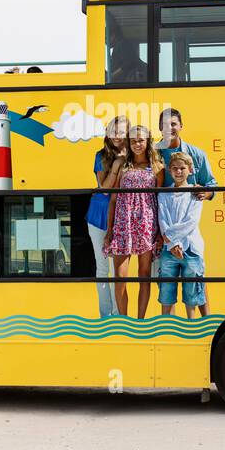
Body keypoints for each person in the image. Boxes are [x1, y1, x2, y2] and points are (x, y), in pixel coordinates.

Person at [156, 108, 216, 314]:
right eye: (164, 124)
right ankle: (168, 330)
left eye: (173, 123)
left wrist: (204, 193)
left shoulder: (197, 155)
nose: (169, 128)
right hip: (160, 228)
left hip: (188, 233)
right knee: (166, 283)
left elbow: (211, 184)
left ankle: (205, 324)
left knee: (197, 278)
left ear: (181, 126)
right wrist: (168, 240)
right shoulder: (152, 154)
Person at [103, 124, 163, 318]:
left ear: (148, 142)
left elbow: (160, 201)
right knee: (120, 277)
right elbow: (113, 198)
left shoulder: (157, 166)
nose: (137, 144)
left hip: (147, 223)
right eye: (133, 140)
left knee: (144, 275)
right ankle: (123, 319)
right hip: (123, 222)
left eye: (141, 140)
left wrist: (161, 233)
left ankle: (140, 321)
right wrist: (109, 229)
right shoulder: (121, 164)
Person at [87, 115, 130, 318]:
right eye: (112, 130)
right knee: (103, 267)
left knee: (119, 270)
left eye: (121, 131)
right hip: (99, 215)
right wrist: (116, 166)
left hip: (123, 216)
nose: (116, 135)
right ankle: (106, 316)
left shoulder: (135, 155)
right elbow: (104, 189)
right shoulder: (100, 155)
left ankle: (119, 315)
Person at [157, 152, 207, 318]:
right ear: (170, 171)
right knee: (166, 291)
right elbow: (163, 219)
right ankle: (166, 325)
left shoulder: (195, 193)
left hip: (191, 248)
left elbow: (191, 221)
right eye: (175, 169)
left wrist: (172, 240)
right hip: (169, 249)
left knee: (192, 292)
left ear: (190, 169)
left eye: (182, 168)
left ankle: (191, 325)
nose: (179, 172)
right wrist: (171, 245)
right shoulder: (163, 194)